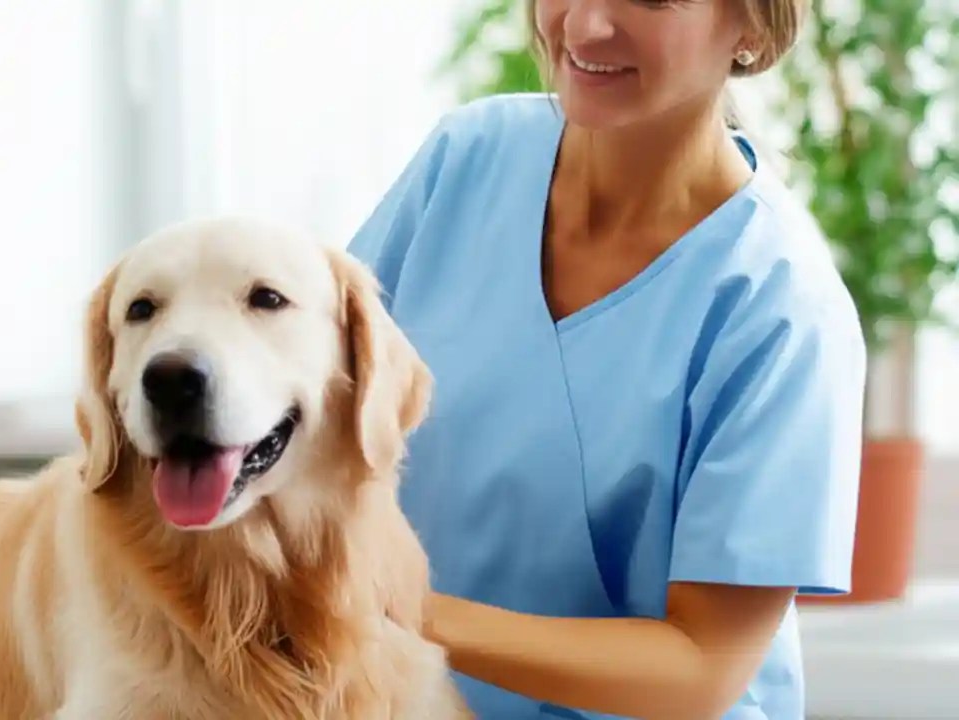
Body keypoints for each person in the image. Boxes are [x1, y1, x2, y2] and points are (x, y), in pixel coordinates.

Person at [346, 0, 866, 718]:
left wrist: (399, 613)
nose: (587, 26)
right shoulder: (465, 160)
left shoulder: (780, 308)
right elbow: (313, 395)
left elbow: (701, 665)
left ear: (752, 26)